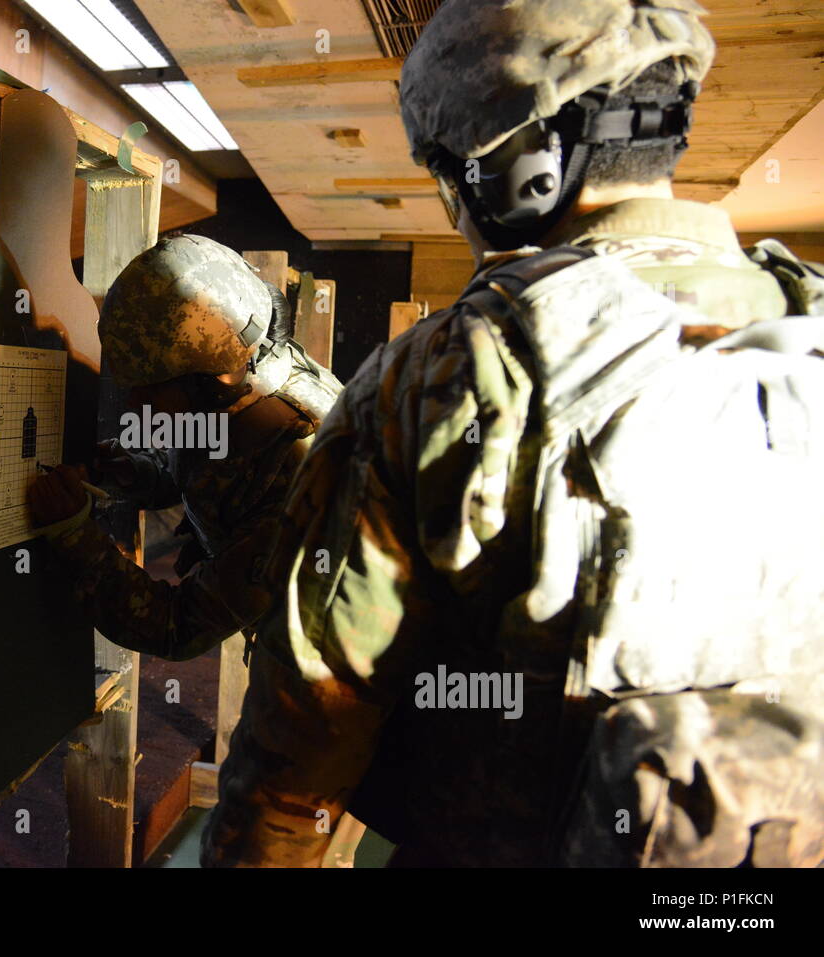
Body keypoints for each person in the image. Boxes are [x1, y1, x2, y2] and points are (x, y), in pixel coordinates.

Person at [203, 0, 824, 868]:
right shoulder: (809, 325)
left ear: (520, 172)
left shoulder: (442, 376)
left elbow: (296, 759)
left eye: (452, 178)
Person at [27, 234, 343, 662]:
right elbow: (207, 471)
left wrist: (71, 534)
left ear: (212, 380)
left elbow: (176, 627)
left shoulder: (303, 466)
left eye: (151, 389)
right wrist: (129, 471)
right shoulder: (246, 379)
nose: (137, 404)